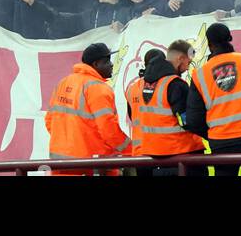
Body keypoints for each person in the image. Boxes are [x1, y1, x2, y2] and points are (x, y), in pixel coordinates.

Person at [184, 22, 241, 176]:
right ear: (229, 38)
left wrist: (214, 135)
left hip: (221, 144)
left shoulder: (200, 75)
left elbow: (194, 120)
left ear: (209, 45)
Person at [45, 42, 130, 176]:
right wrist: (130, 151)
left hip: (60, 166)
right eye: (107, 61)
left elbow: (49, 121)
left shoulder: (63, 83)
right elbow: (108, 129)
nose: (111, 64)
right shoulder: (98, 88)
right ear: (96, 64)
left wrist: (69, 144)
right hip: (91, 167)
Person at [124, 44, 204, 176]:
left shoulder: (133, 88)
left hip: (144, 155)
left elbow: (134, 118)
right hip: (181, 154)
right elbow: (187, 120)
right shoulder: (174, 84)